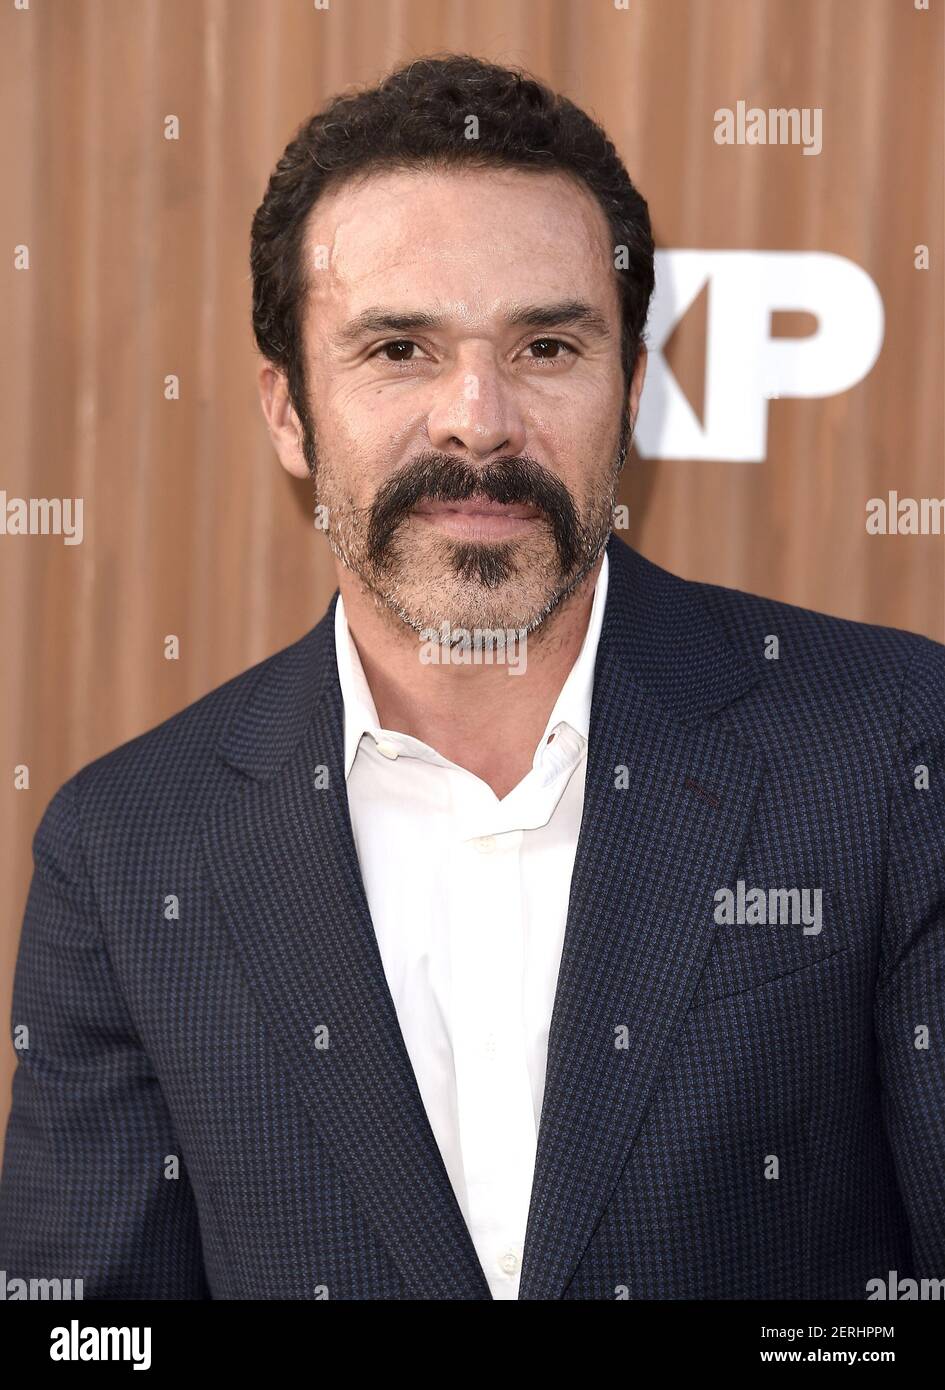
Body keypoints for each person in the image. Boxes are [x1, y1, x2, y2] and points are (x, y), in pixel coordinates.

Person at [1, 54, 942, 1301]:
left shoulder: (886, 750)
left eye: (547, 344)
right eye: (400, 348)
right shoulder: (128, 850)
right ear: (288, 412)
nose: (478, 420)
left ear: (633, 387)